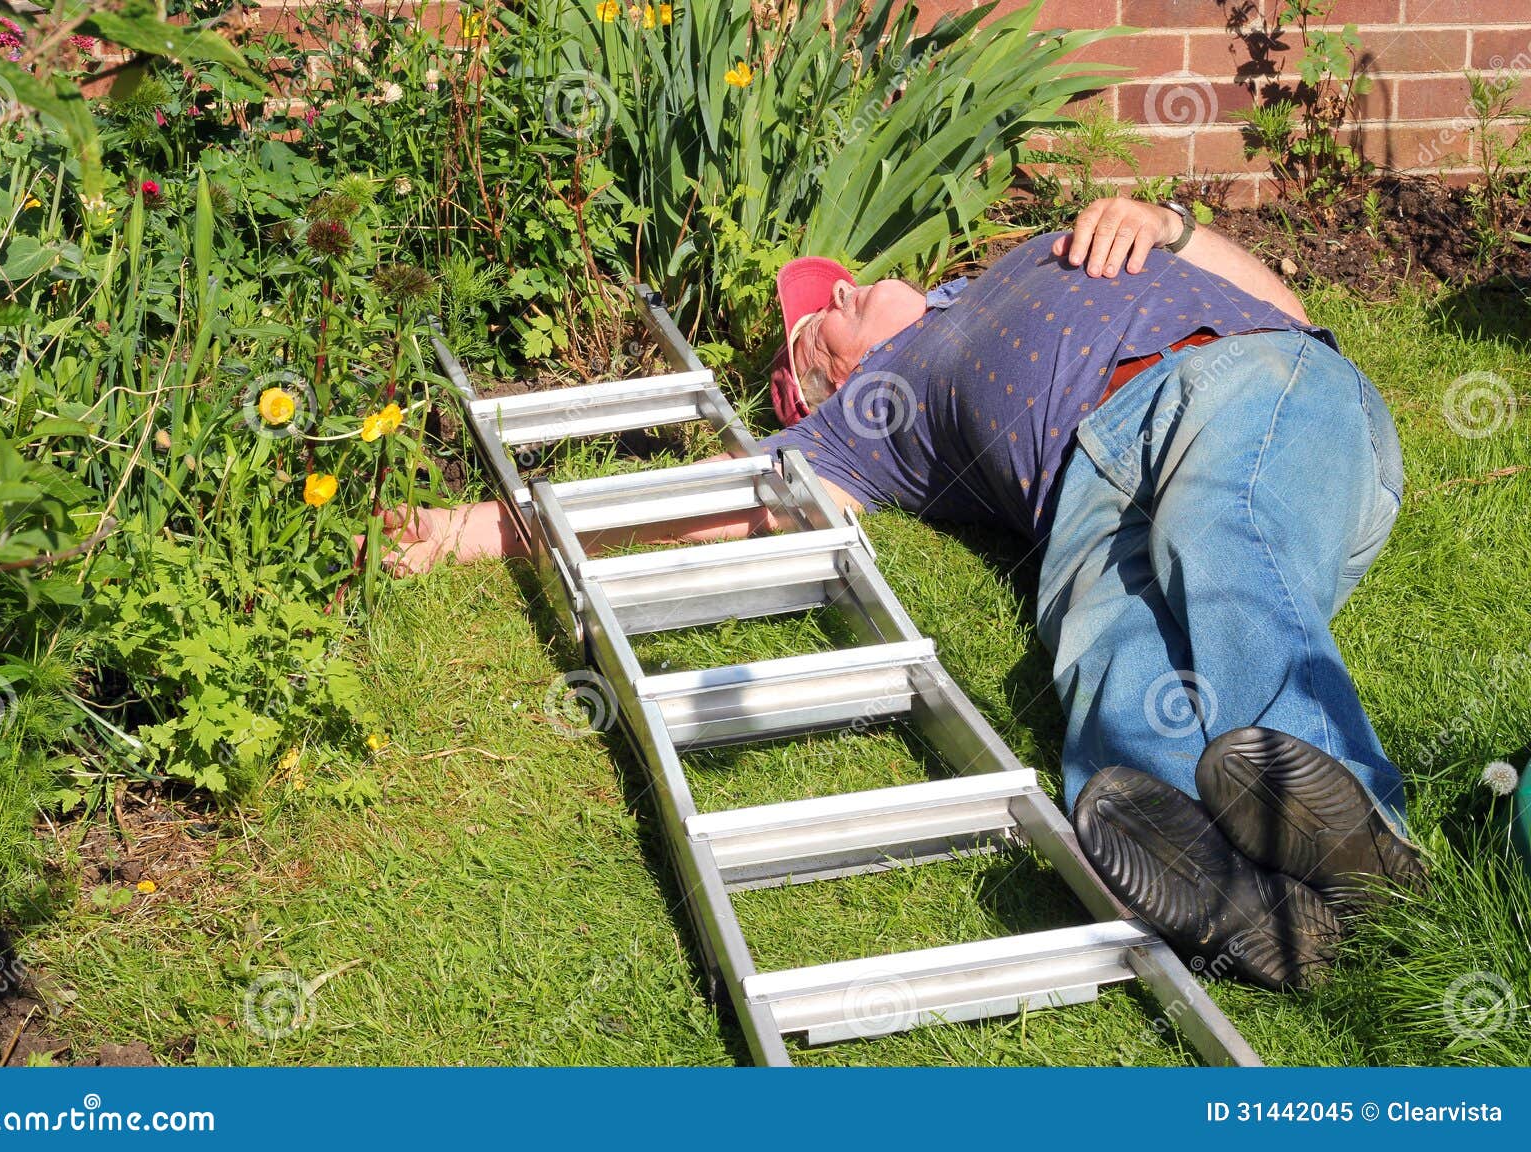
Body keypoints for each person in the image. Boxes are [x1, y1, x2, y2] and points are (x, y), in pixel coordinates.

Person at [380, 197, 1422, 990]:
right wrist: (476, 529)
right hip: (1090, 502)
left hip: (1248, 387)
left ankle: (1362, 826)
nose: (837, 292)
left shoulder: (1049, 246)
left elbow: (1287, 310)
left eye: (832, 286)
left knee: (1221, 529)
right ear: (824, 390)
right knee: (1105, 654)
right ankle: (1261, 909)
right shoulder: (872, 425)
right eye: (815, 324)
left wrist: (1171, 225)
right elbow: (721, 500)